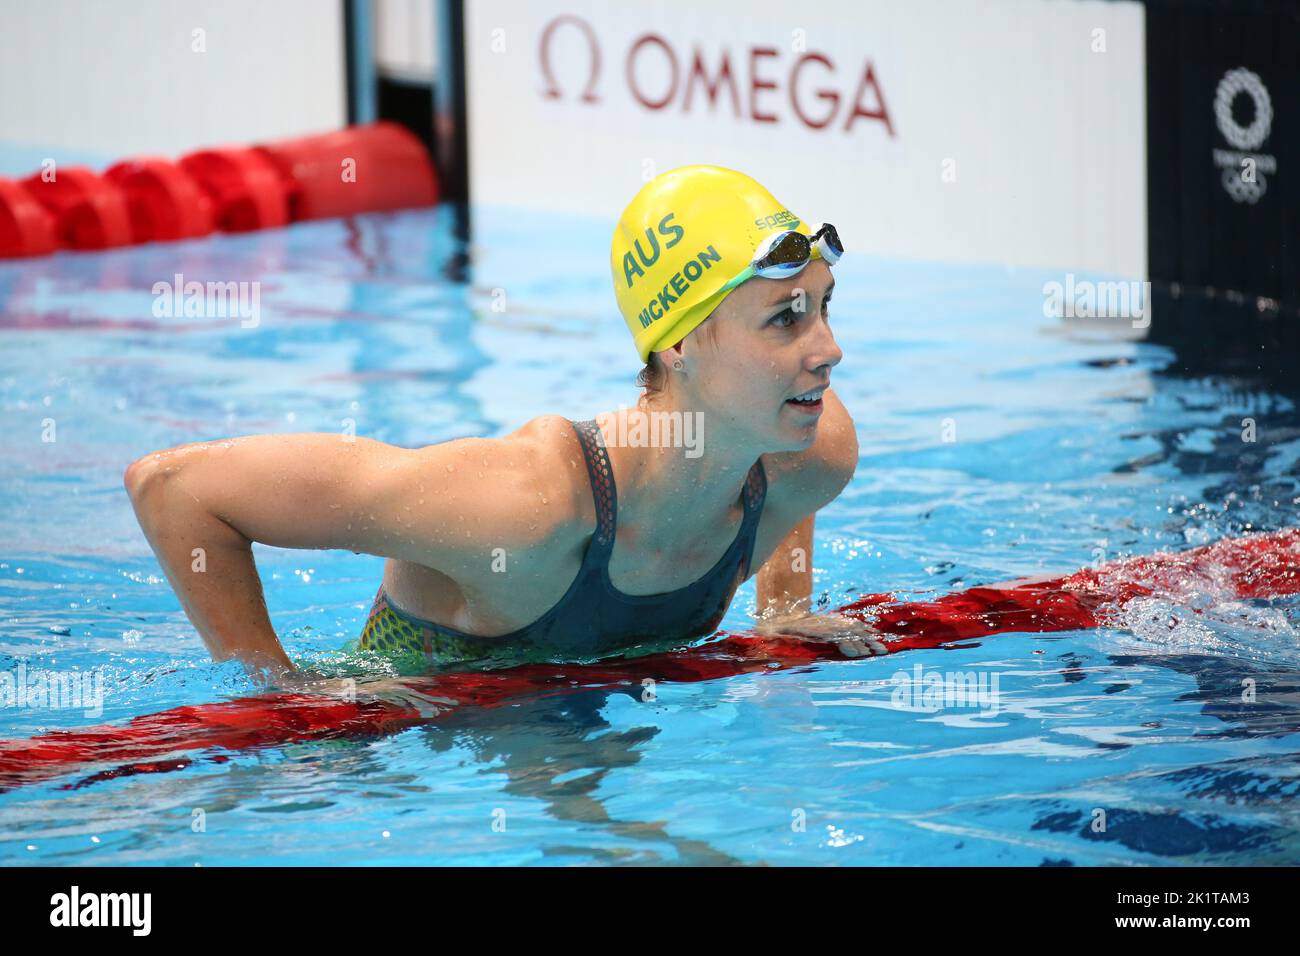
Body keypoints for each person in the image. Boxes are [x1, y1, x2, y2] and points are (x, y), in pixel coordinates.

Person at [123, 164, 886, 690]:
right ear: (678, 345)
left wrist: (784, 610)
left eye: (824, 307)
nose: (828, 350)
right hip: (413, 760)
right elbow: (173, 487)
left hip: (589, 727)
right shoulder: (525, 506)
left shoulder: (813, 452)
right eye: (785, 318)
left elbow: (779, 470)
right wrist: (280, 693)